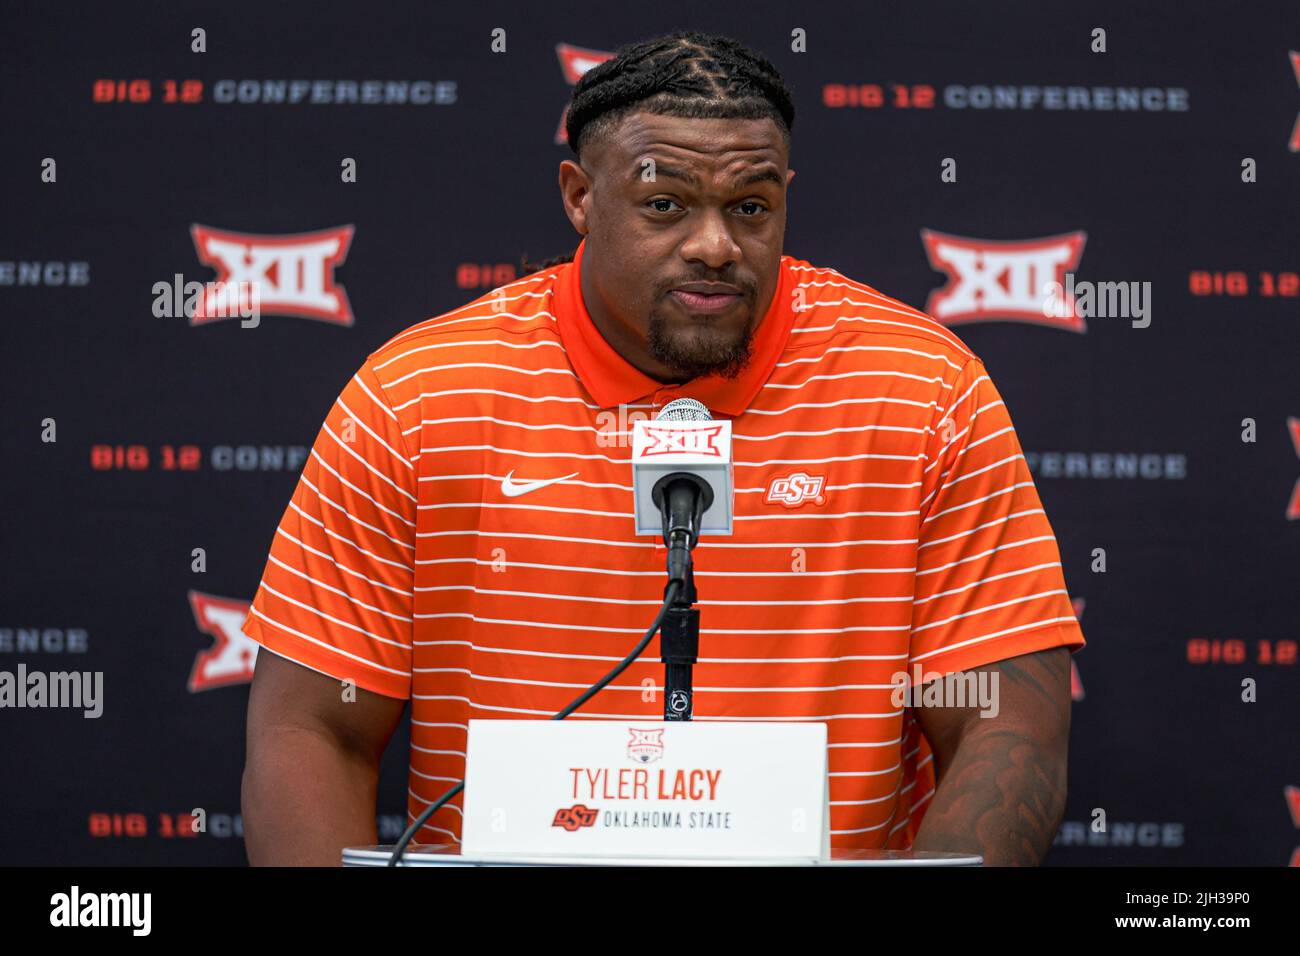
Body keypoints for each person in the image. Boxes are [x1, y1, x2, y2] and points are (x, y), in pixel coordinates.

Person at [241, 30, 1085, 866]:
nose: (716, 245)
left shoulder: (923, 391)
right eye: (665, 204)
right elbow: (313, 727)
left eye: (751, 207)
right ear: (580, 196)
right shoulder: (418, 397)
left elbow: (1006, 723)